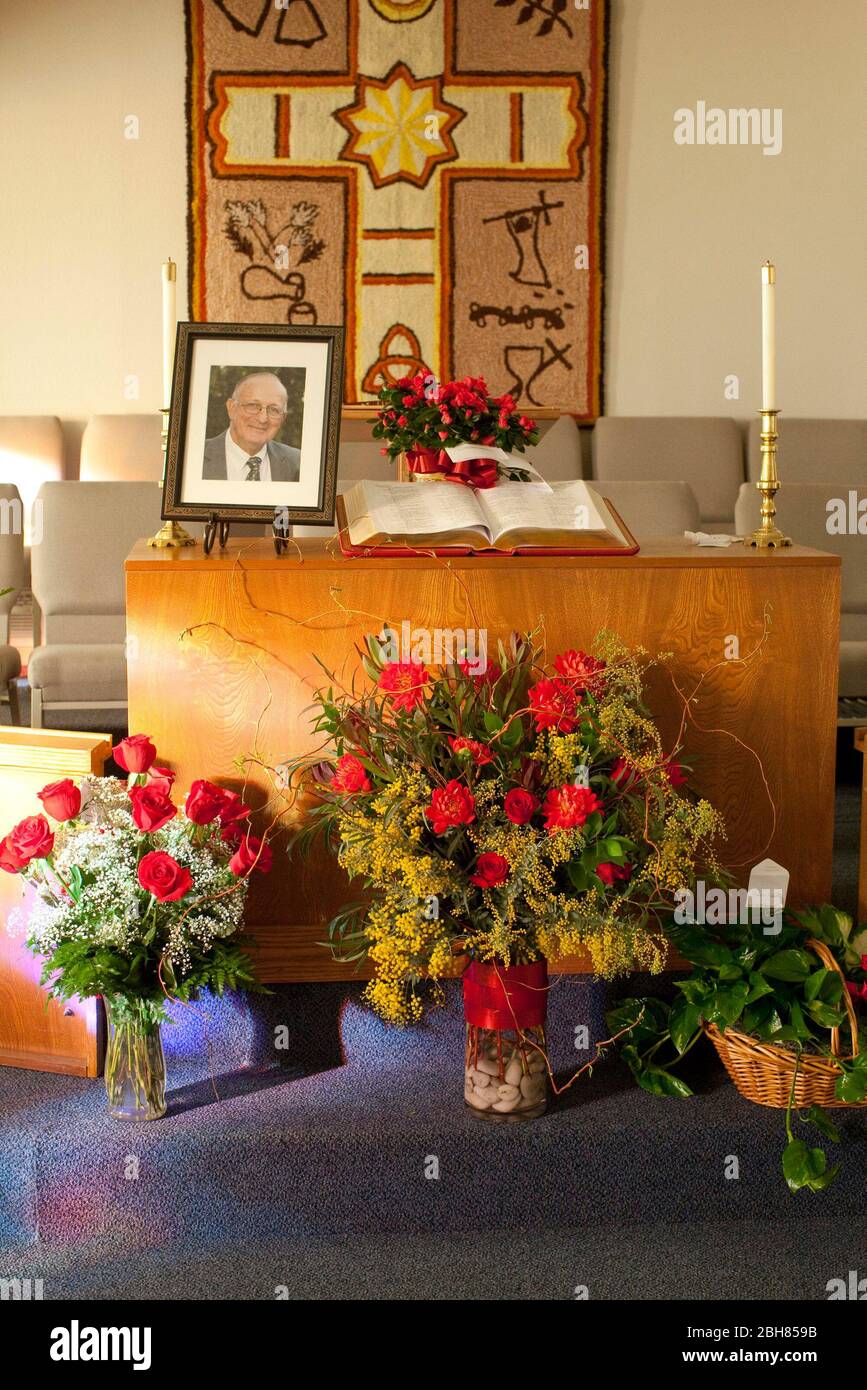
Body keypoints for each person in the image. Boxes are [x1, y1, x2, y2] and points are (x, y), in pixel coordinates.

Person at [202, 371, 301, 481]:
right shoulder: (194, 457)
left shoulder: (298, 463)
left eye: (274, 410)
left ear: (283, 418)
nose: (262, 419)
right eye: (253, 405)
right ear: (231, 408)